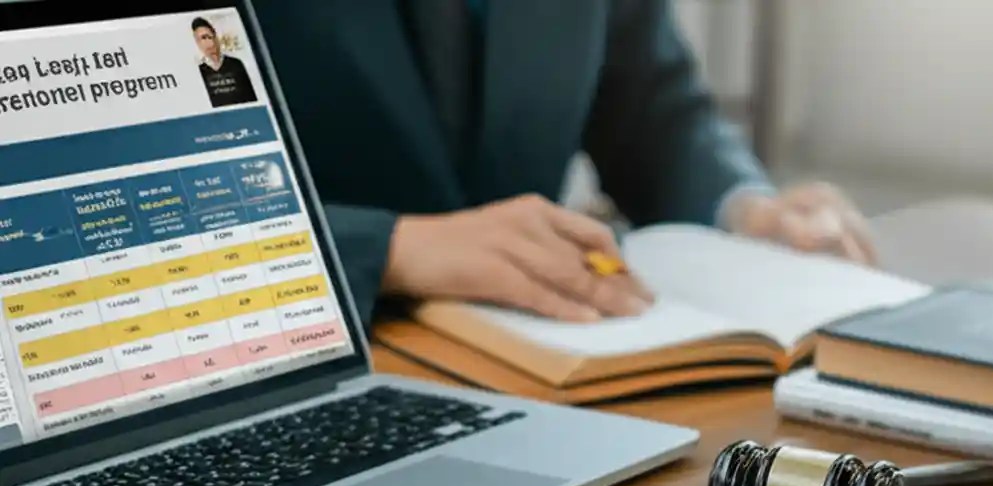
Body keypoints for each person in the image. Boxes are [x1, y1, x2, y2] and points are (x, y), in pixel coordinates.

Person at [255, 0, 878, 330]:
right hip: (306, 360)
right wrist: (390, 249)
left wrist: (744, 204)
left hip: (549, 362)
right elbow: (162, 215)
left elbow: (649, 106)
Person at [192, 17, 258, 108]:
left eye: (209, 36)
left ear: (215, 38)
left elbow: (252, 98)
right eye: (202, 38)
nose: (208, 42)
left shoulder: (236, 64)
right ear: (197, 43)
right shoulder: (199, 71)